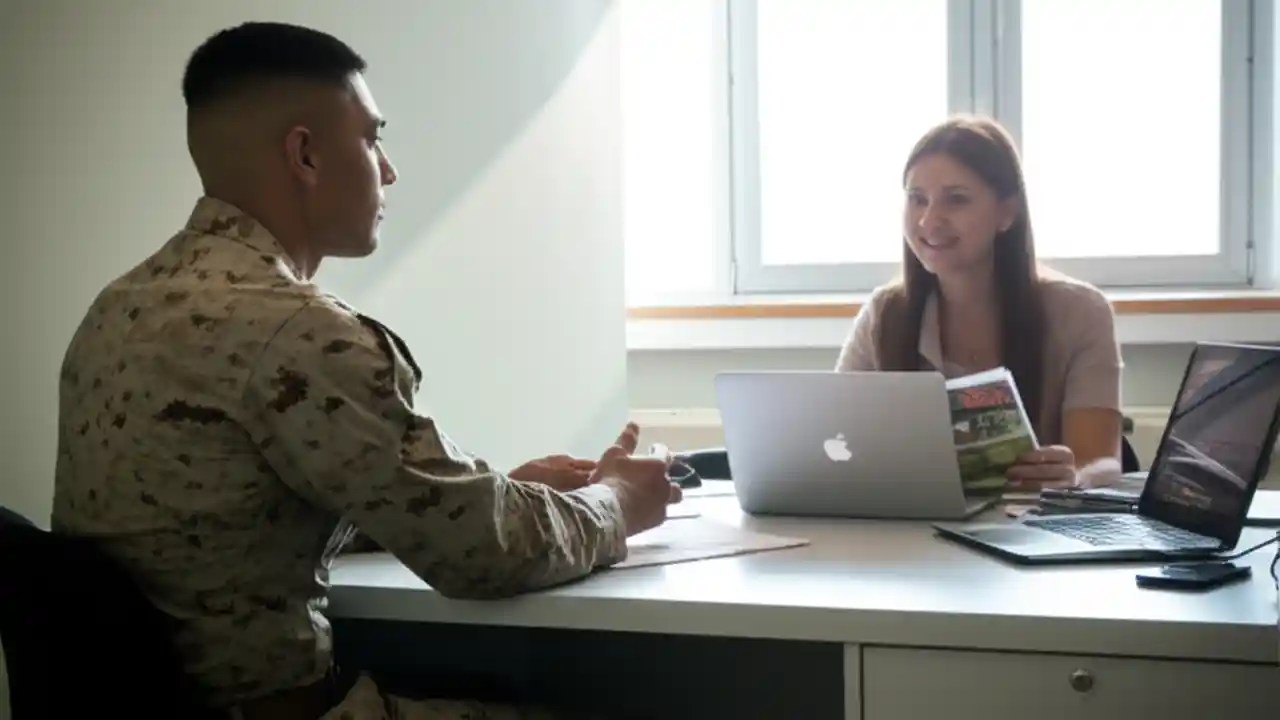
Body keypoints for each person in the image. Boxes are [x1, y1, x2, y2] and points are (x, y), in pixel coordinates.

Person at [50, 21, 678, 720]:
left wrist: (484, 492)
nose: (388, 169)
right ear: (307, 154)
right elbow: (484, 556)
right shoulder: (295, 329)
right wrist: (619, 500)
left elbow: (229, 519)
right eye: (373, 137)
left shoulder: (119, 307)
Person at [835, 115, 1124, 488]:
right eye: (917, 199)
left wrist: (1074, 478)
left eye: (956, 200)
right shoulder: (885, 314)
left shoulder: (1080, 312)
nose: (928, 221)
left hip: (1032, 527)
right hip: (913, 530)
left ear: (1007, 212)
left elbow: (1100, 462)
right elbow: (835, 437)